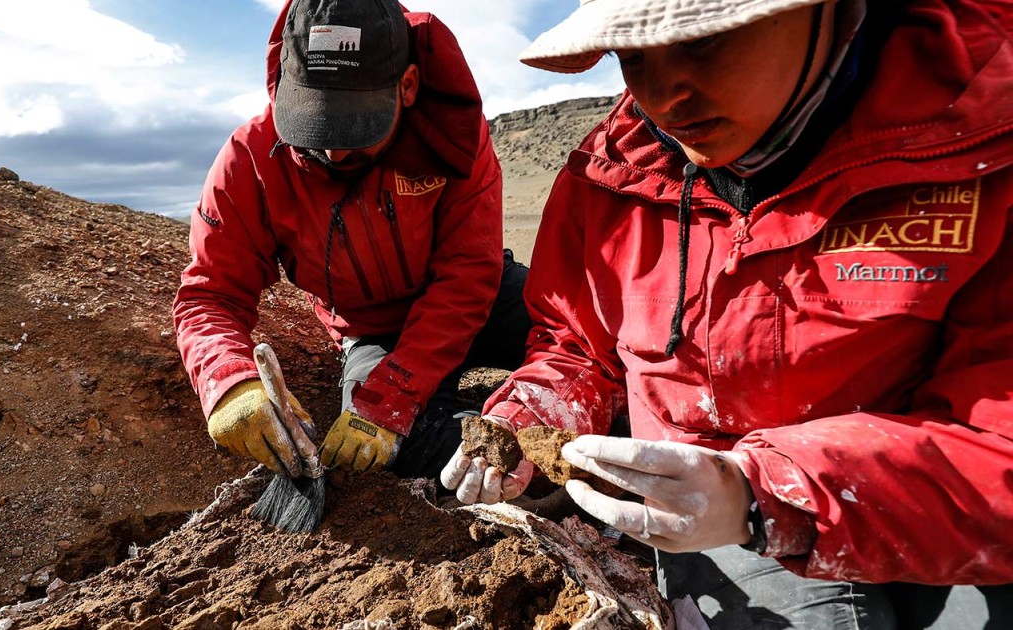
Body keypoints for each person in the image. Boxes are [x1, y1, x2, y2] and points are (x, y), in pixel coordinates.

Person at [442, 0, 1013, 626]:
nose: (664, 97)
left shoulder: (989, 142)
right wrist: (532, 413)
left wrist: (763, 492)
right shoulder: (608, 174)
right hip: (700, 513)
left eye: (703, 39)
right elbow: (577, 345)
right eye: (633, 56)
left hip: (933, 507)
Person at [174, 0, 529, 482]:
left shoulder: (453, 138)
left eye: (356, 124)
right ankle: (534, 462)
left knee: (596, 343)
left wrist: (398, 395)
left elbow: (468, 275)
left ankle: (584, 438)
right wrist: (230, 382)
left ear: (407, 87)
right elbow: (210, 295)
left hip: (480, 297)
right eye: (315, 121)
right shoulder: (250, 159)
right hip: (373, 330)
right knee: (389, 453)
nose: (333, 149)